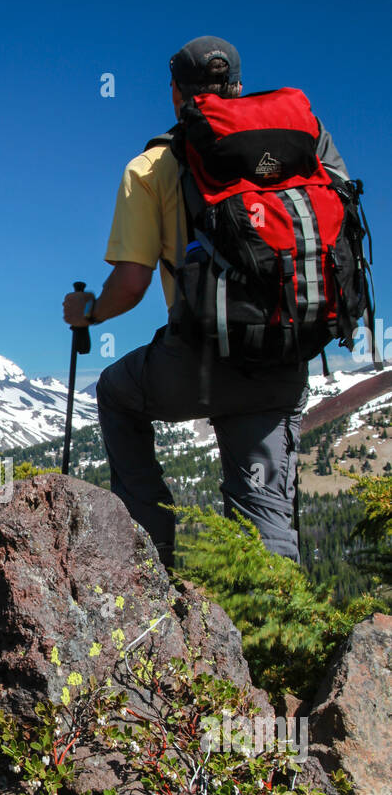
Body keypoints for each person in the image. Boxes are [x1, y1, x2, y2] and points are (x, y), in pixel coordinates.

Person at [62, 35, 349, 570]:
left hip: (198, 361)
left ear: (175, 93)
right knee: (264, 521)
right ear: (238, 86)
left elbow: (131, 285)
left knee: (117, 393)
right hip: (284, 353)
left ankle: (149, 556)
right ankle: (280, 635)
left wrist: (89, 314)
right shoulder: (303, 142)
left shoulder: (149, 168)